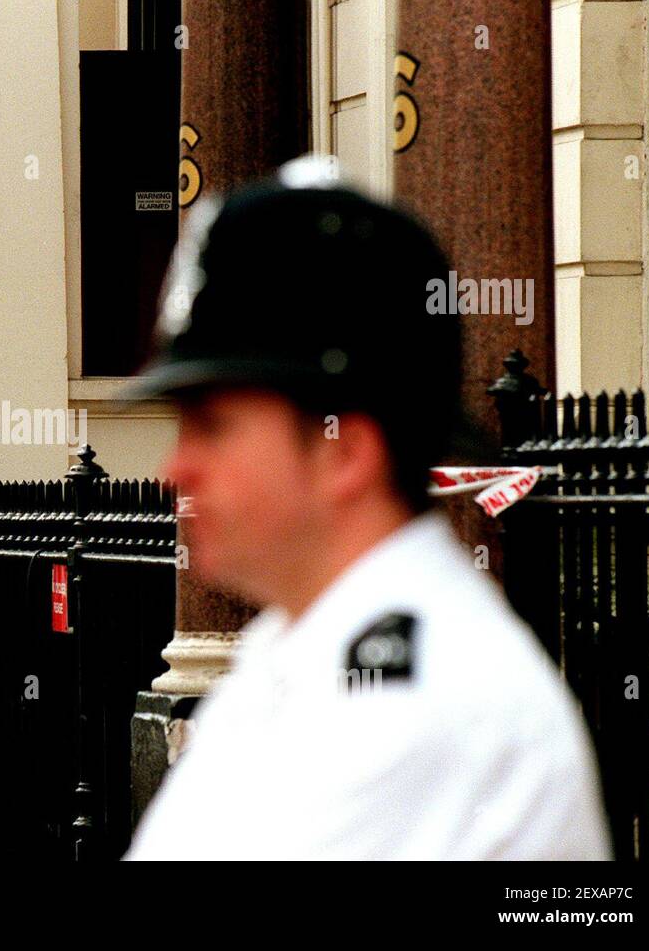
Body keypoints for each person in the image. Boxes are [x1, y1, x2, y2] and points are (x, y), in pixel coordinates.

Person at [125, 163, 610, 860]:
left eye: (213, 425)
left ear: (344, 451)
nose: (177, 468)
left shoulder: (421, 708)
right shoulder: (299, 647)